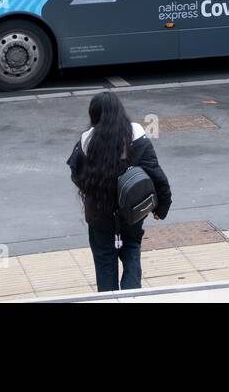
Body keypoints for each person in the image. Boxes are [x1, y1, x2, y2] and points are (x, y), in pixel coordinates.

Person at [66, 92, 172, 292]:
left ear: (94, 114)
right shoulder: (136, 134)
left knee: (105, 260)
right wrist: (161, 209)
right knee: (131, 250)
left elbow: (76, 173)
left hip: (100, 214)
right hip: (132, 212)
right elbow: (157, 176)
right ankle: (132, 296)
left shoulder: (87, 140)